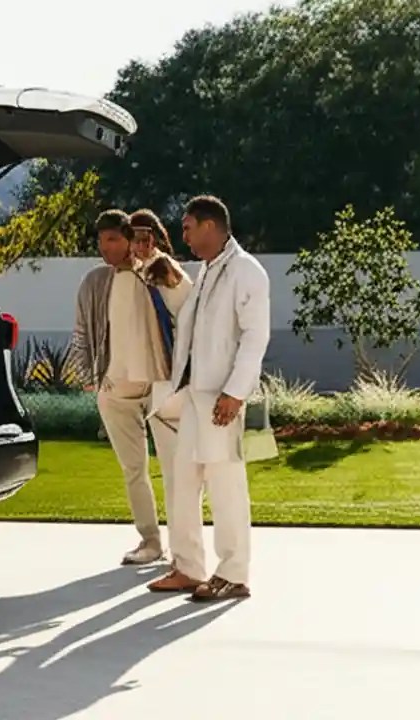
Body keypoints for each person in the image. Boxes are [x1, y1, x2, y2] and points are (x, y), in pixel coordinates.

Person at [146, 195, 271, 602]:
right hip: (195, 397)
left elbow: (255, 337)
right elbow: (194, 323)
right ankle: (187, 567)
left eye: (187, 227)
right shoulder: (207, 270)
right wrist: (169, 280)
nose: (182, 235)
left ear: (209, 226)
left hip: (222, 398)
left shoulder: (247, 272)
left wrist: (235, 393)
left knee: (225, 487)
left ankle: (233, 574)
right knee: (183, 483)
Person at [68, 209, 192, 566]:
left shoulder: (154, 271)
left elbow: (188, 303)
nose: (105, 248)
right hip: (113, 388)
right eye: (101, 241)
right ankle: (150, 541)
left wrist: (155, 261)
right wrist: (88, 377)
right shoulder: (94, 281)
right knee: (133, 469)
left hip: (159, 386)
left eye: (113, 239)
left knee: (173, 469)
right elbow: (81, 331)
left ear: (132, 238)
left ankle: (183, 549)